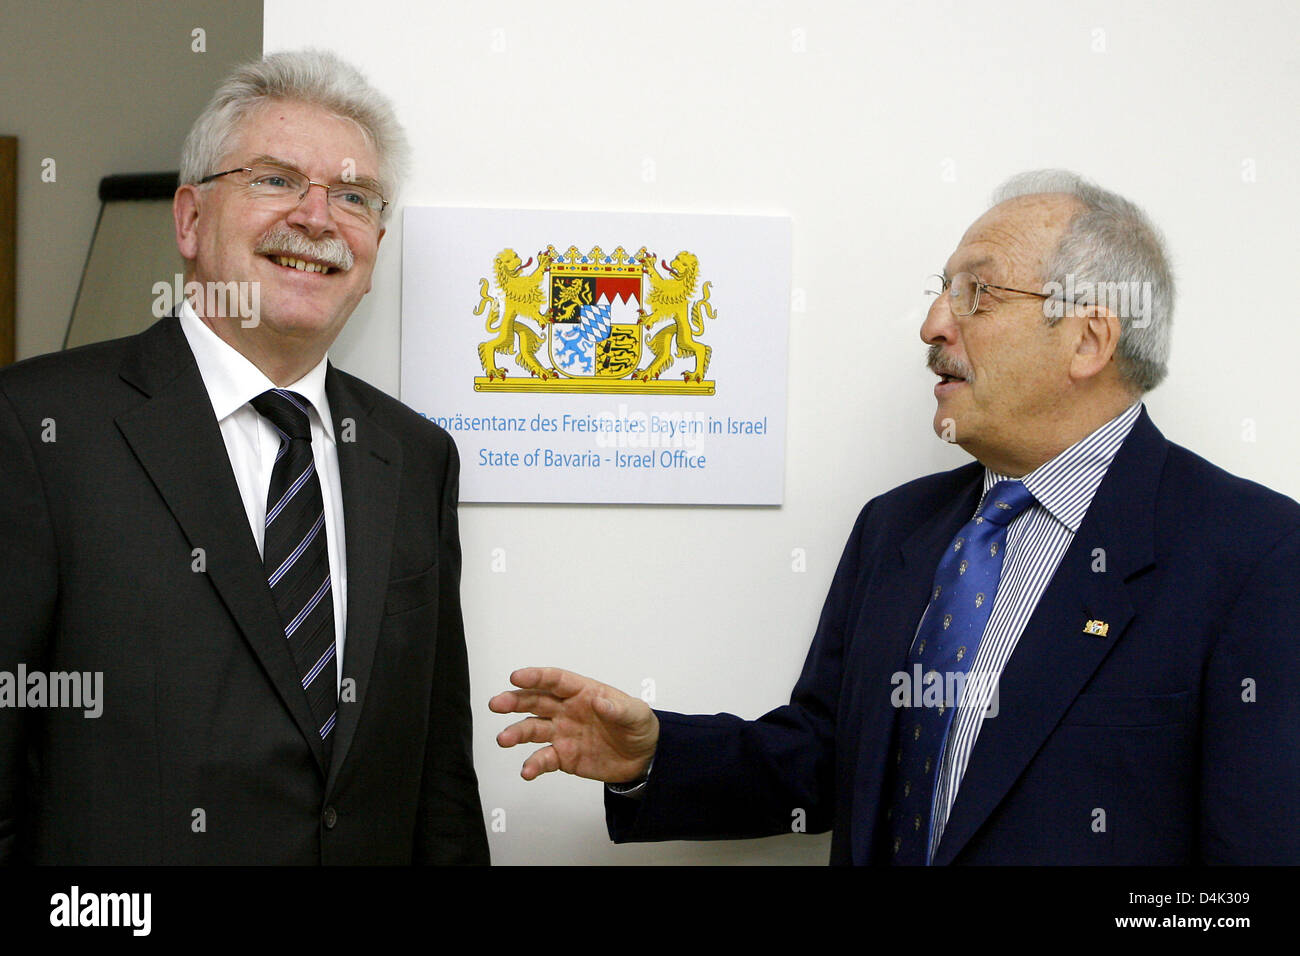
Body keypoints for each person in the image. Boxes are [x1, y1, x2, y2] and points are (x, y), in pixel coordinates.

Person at [491, 170, 1300, 864]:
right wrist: (656, 757)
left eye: (975, 294)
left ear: (1089, 339)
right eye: (941, 293)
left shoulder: (1254, 557)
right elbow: (826, 759)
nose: (932, 326)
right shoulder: (898, 530)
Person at [0, 49, 488, 864]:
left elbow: (439, 781)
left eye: (355, 197)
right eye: (275, 180)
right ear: (190, 220)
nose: (318, 218)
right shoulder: (39, 427)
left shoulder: (414, 458)